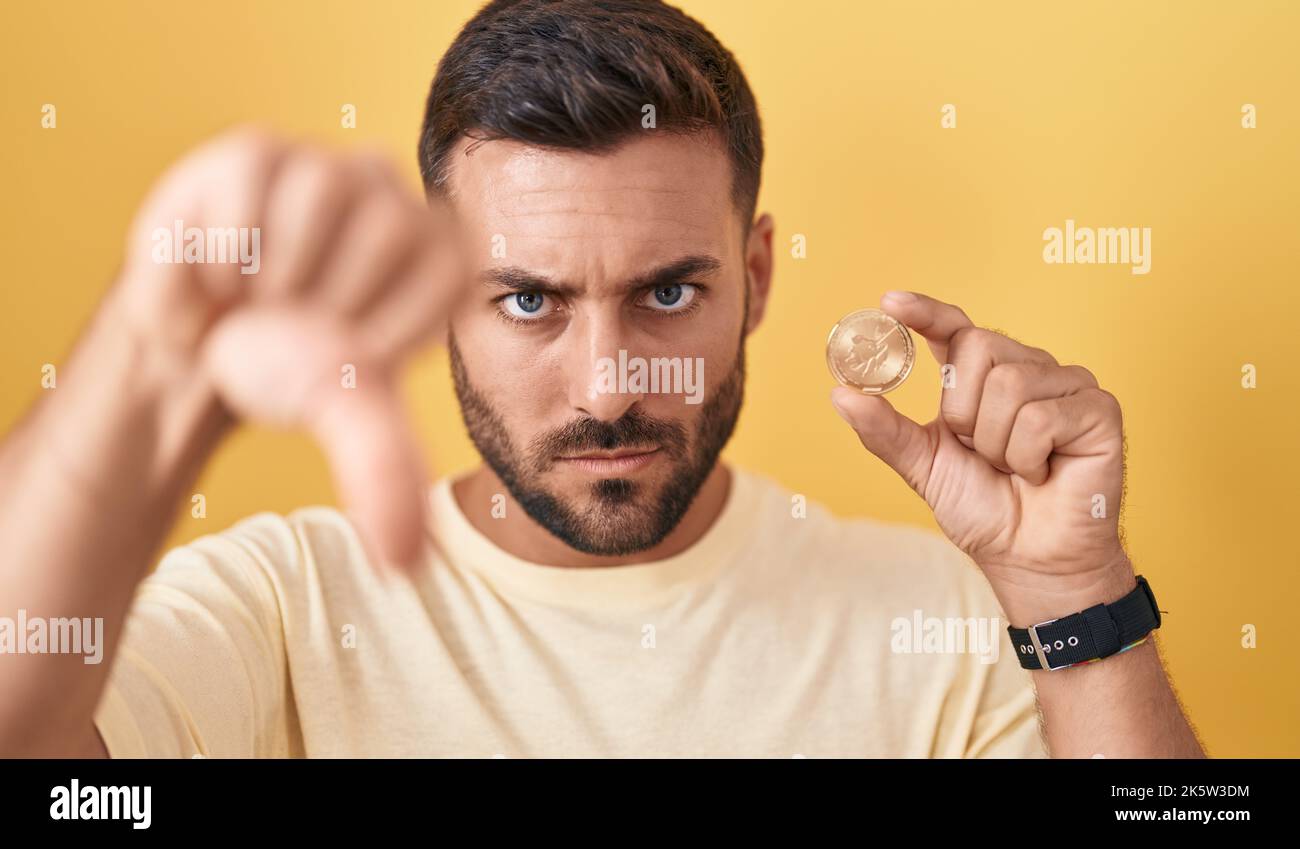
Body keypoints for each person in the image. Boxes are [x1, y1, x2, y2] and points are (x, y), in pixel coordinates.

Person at [0, 0, 1202, 758]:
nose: (607, 382)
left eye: (668, 292)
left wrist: (1071, 593)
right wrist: (138, 370)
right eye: (529, 300)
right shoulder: (282, 606)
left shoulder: (933, 622)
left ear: (759, 276)